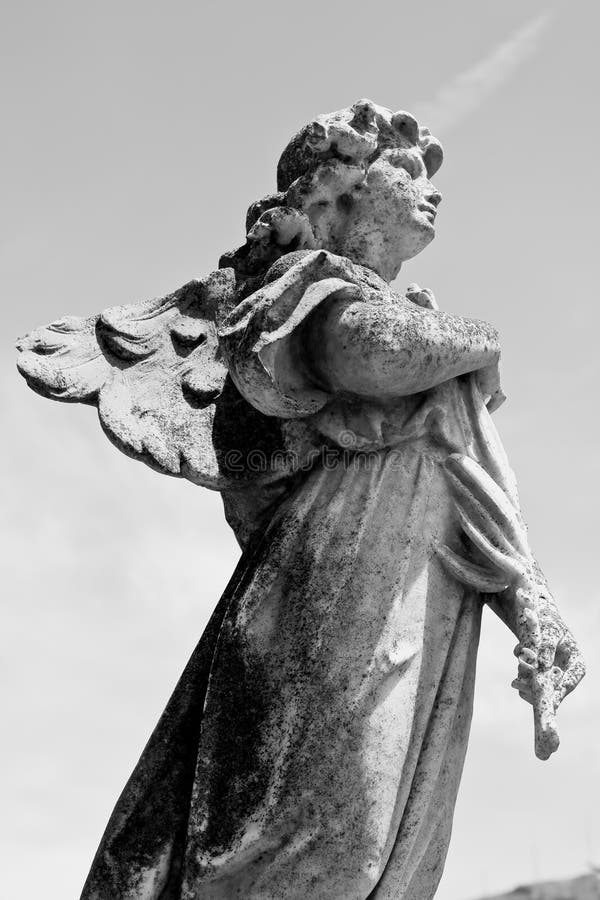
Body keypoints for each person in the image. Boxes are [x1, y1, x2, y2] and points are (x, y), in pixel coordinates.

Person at [17, 100, 584, 900]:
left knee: (387, 849)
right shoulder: (312, 286)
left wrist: (537, 613)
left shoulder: (426, 342)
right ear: (339, 190)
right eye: (407, 170)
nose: (432, 191)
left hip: (419, 598)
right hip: (335, 579)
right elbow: (370, 355)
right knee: (325, 839)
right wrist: (483, 339)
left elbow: (478, 490)